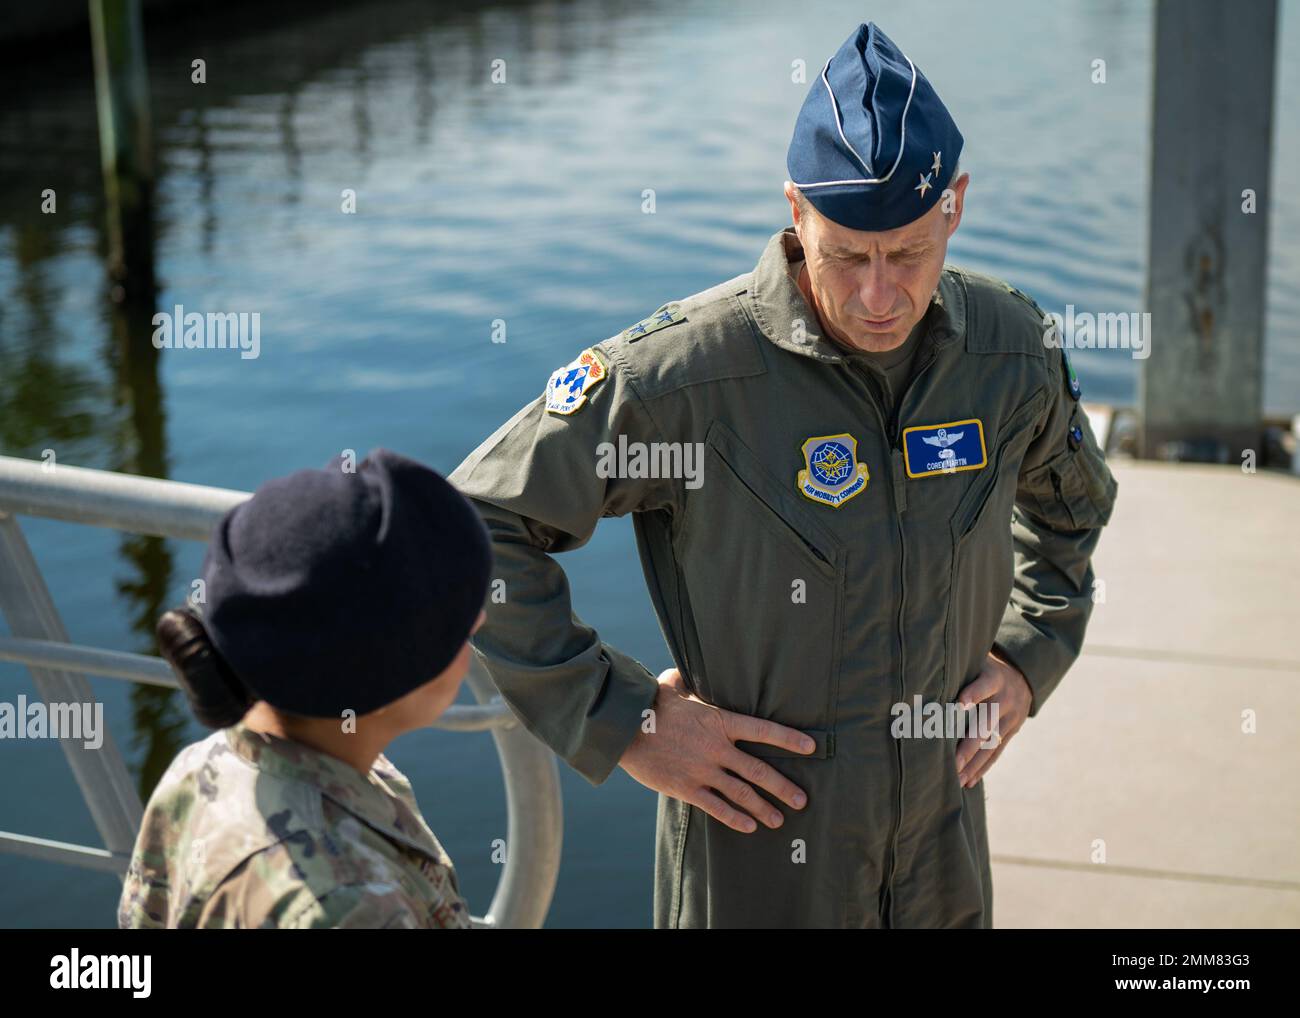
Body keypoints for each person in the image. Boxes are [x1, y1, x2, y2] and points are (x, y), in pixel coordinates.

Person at [449, 21, 1117, 928]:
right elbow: (471, 526)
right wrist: (624, 717)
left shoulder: (1008, 351)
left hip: (941, 858)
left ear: (954, 204)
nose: (879, 297)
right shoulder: (684, 379)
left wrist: (1028, 657)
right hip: (755, 862)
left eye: (910, 254)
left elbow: (1072, 507)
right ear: (795, 211)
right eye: (847, 255)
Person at [118, 448, 490, 929]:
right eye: (460, 624)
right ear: (386, 673)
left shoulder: (201, 769)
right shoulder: (346, 907)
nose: (479, 619)